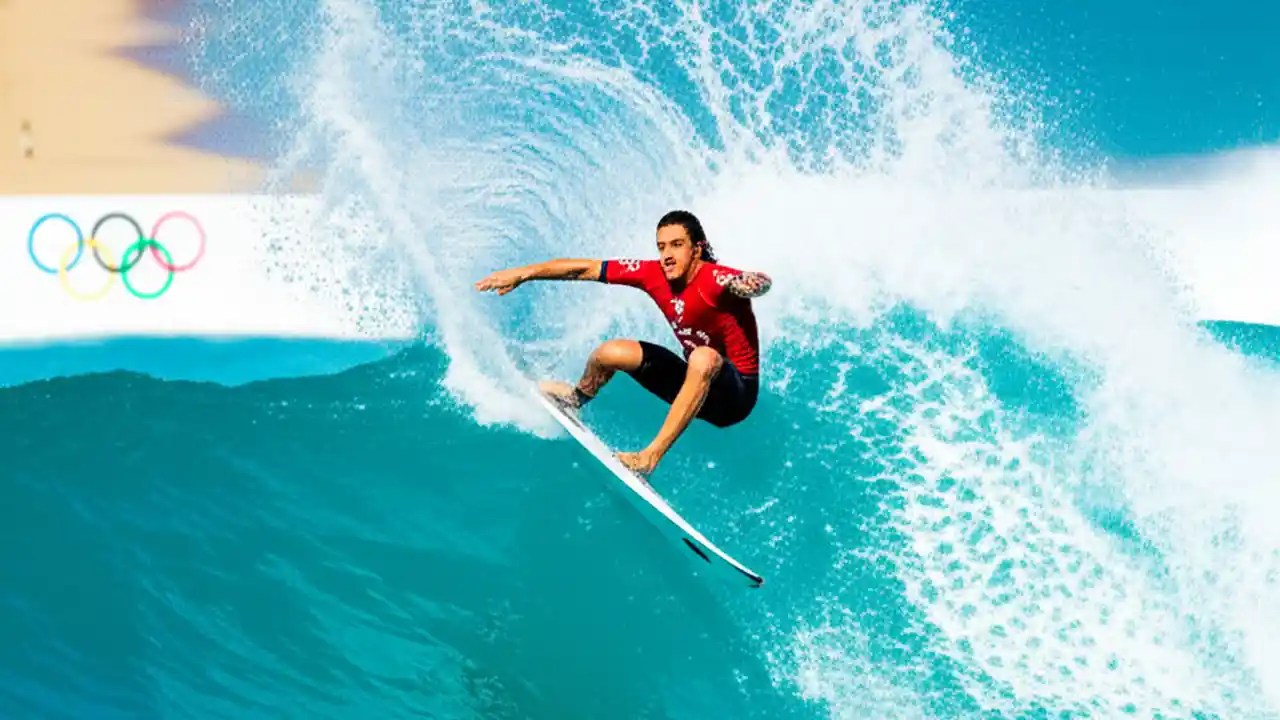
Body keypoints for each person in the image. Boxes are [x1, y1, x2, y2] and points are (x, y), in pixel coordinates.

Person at [474, 210, 772, 475]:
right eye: (661, 246)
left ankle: (649, 458)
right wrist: (524, 273)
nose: (666, 254)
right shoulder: (653, 274)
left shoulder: (716, 280)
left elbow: (748, 281)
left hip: (736, 396)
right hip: (694, 382)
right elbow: (587, 268)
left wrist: (750, 283)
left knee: (703, 357)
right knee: (610, 353)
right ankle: (575, 398)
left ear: (698, 249)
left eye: (676, 245)